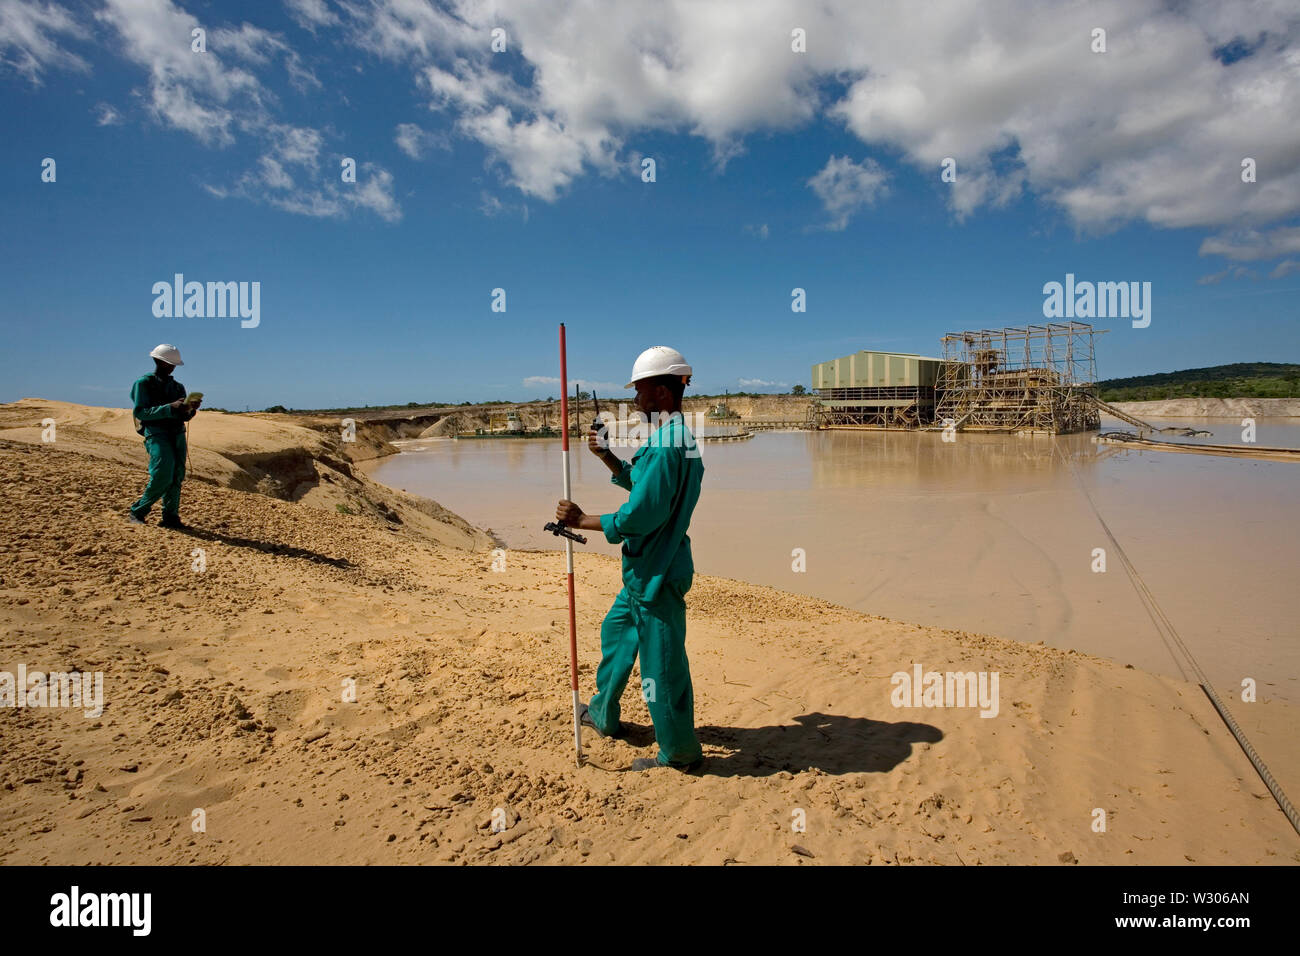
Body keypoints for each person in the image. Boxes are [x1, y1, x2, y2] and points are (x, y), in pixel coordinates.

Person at [555, 346, 705, 772]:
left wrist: (583, 519)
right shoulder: (672, 439)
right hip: (645, 570)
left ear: (661, 391)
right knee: (616, 633)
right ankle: (604, 714)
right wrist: (606, 458)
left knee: (662, 669)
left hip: (658, 574)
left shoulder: (668, 445)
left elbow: (642, 514)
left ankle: (679, 753)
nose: (636, 401)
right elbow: (647, 491)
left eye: (640, 391)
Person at [127, 344, 200, 528]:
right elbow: (141, 412)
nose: (171, 367)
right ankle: (138, 511)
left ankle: (170, 517)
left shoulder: (177, 387)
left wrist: (190, 409)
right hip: (157, 434)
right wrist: (169, 407)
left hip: (176, 433)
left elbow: (184, 416)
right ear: (157, 361)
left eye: (173, 364)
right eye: (168, 363)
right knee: (162, 473)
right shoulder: (144, 383)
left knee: (176, 475)